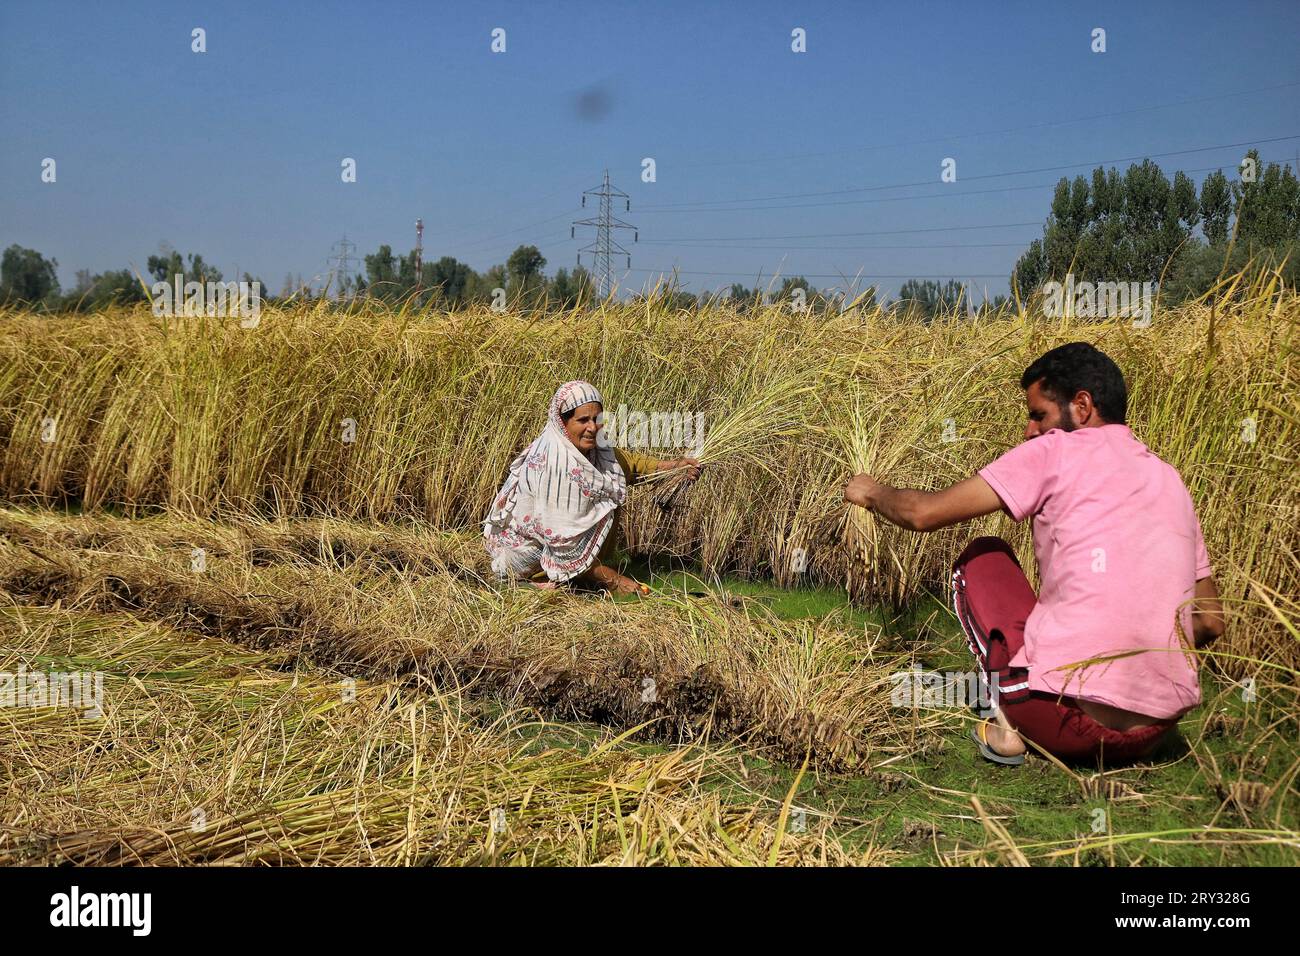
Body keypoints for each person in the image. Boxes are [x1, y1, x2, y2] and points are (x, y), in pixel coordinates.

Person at [843, 342, 1225, 765]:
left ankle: (1008, 724)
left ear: (1081, 406)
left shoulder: (1053, 451)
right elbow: (1209, 621)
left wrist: (871, 492)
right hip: (1153, 734)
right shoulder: (1169, 479)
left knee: (983, 558)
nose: (1030, 430)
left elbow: (923, 514)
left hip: (1065, 725)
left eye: (1039, 414)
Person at [484, 380, 701, 595]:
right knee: (548, 570)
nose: (592, 428)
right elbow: (565, 550)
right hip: (533, 559)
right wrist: (616, 581)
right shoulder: (552, 466)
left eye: (597, 419)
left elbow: (630, 465)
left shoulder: (598, 452)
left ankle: (583, 578)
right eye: (583, 420)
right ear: (562, 422)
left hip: (571, 557)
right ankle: (557, 580)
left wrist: (675, 468)